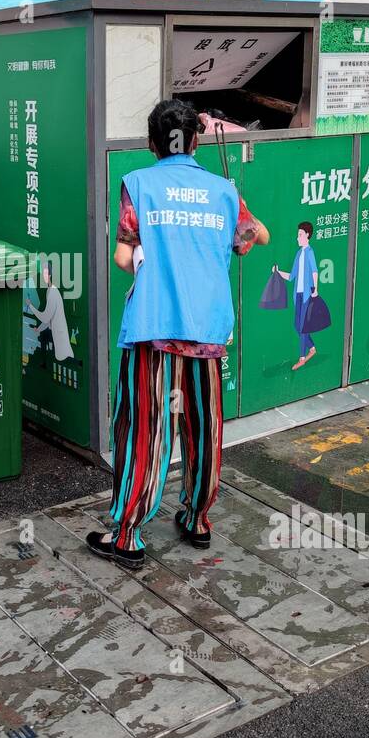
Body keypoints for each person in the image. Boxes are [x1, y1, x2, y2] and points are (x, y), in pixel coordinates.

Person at [88, 98, 268, 570]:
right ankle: (197, 519)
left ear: (152, 143)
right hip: (206, 330)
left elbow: (124, 259)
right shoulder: (223, 191)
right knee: (203, 426)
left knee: (145, 427)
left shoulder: (139, 185)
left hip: (154, 327)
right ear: (197, 140)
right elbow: (249, 240)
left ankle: (128, 535)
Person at [273, 221, 319, 370]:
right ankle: (311, 348)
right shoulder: (299, 254)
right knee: (297, 325)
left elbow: (314, 272)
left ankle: (302, 358)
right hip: (297, 295)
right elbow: (292, 276)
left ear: (307, 235)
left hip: (306, 294)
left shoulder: (310, 253)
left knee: (303, 327)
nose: (297, 238)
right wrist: (278, 273)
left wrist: (315, 290)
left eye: (300, 235)